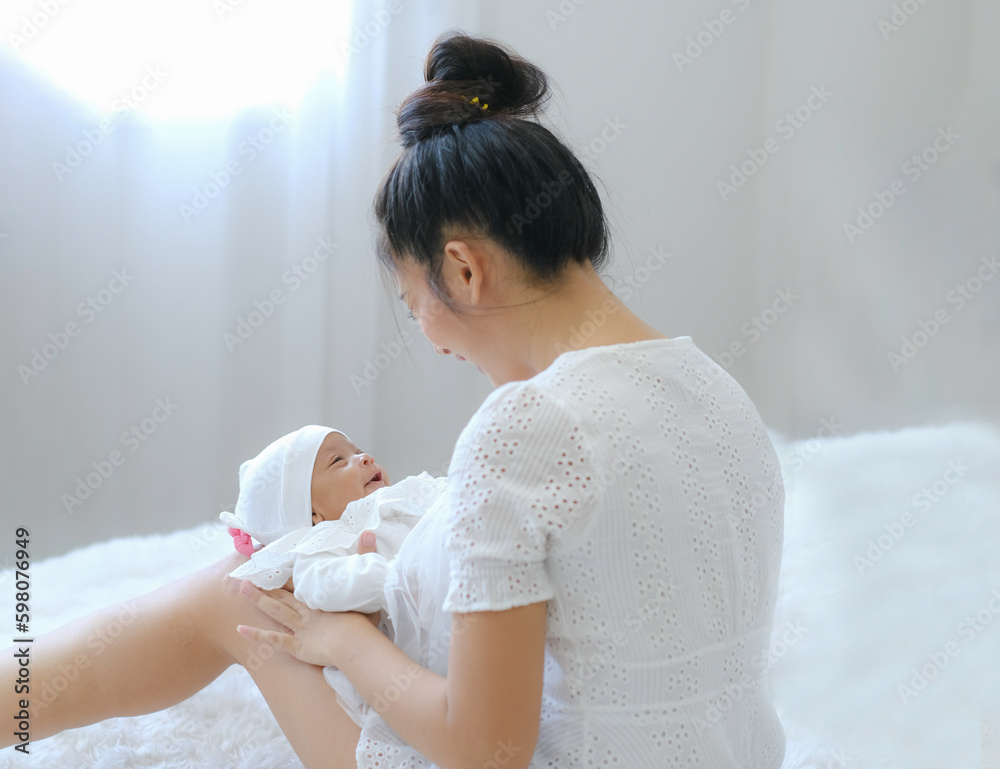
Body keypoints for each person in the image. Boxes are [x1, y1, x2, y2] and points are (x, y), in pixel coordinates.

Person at [1, 31, 786, 769]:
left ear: (464, 270)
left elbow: (486, 750)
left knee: (232, 595)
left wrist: (341, 641)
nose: (434, 340)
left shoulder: (528, 427)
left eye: (417, 303)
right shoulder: (714, 390)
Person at [218, 423, 450, 727]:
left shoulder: (406, 496)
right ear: (313, 513)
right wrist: (384, 575)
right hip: (432, 622)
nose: (364, 456)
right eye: (338, 460)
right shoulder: (326, 540)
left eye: (356, 450)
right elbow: (322, 586)